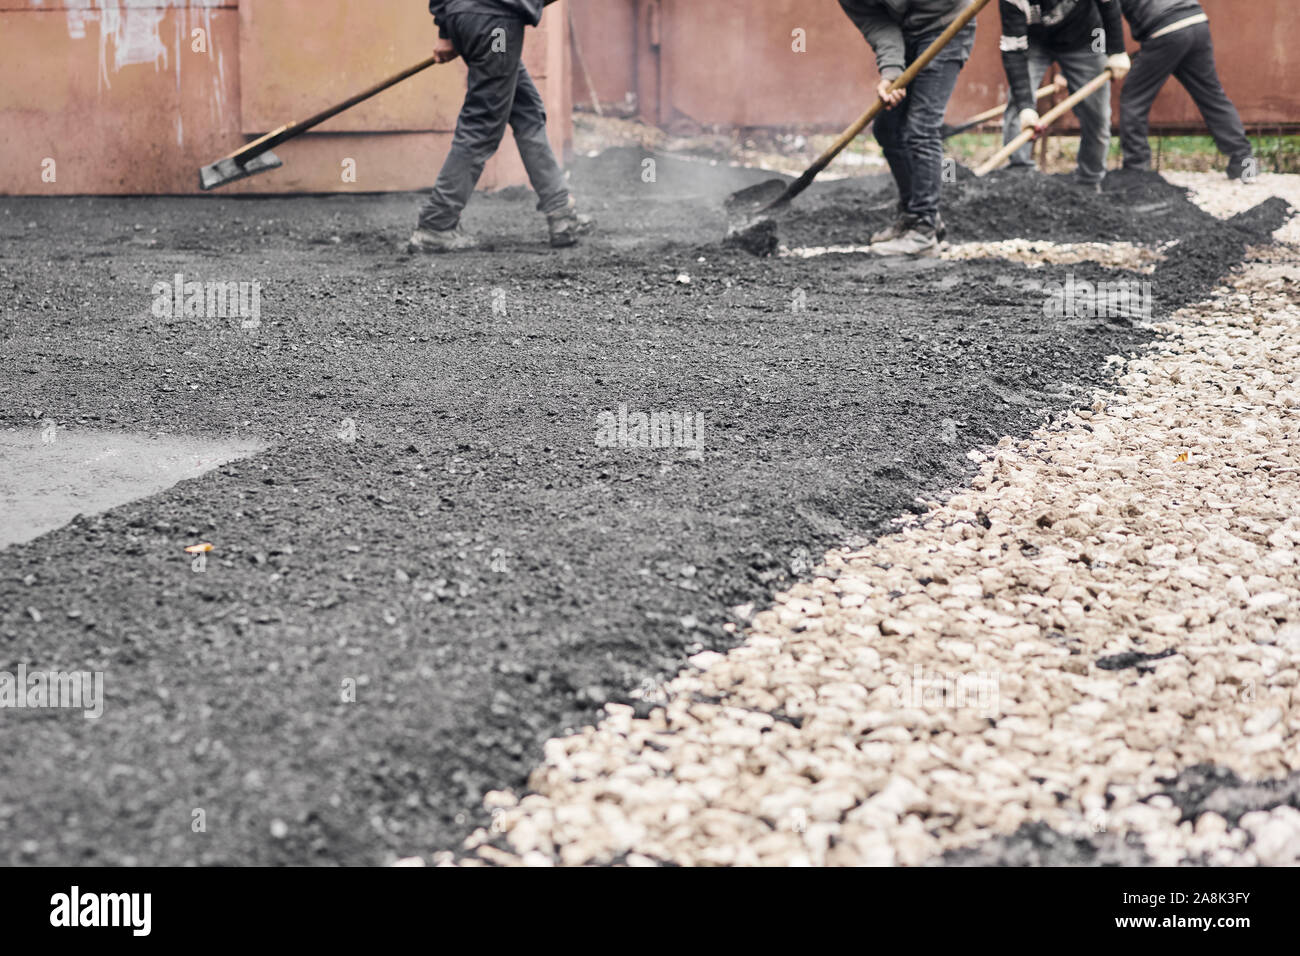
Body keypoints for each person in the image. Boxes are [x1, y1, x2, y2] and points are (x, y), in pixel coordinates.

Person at [409, 0, 591, 253]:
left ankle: (560, 211)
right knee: (482, 124)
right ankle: (436, 225)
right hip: (495, 24)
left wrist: (446, 30)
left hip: (470, 17)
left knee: (526, 111)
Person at [839, 1, 979, 257]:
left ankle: (923, 231)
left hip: (947, 25)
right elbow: (878, 24)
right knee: (887, 129)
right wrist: (892, 71)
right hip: (906, 36)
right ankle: (916, 216)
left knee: (922, 128)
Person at [999, 0, 1130, 189]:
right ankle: (1020, 177)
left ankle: (1090, 182)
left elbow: (1108, 3)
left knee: (1097, 113)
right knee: (1017, 108)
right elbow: (1013, 51)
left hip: (1086, 39)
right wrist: (1026, 107)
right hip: (1034, 41)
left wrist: (1117, 51)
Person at [1116, 0, 1254, 179]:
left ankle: (1136, 169)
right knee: (1211, 95)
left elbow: (1107, 12)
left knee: (1133, 99)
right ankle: (1244, 163)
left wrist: (1114, 52)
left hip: (1165, 28)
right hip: (1195, 20)